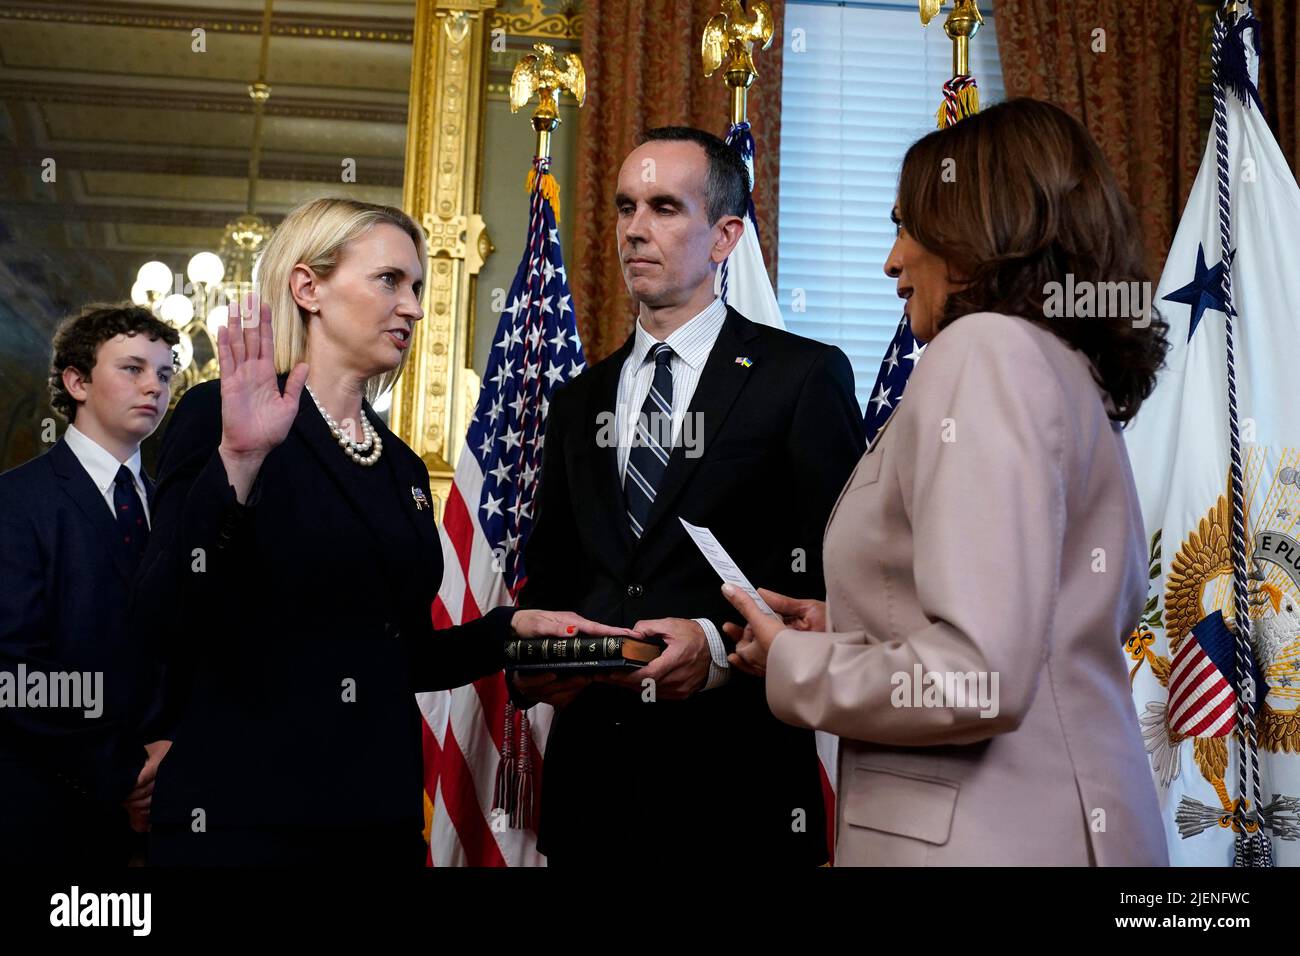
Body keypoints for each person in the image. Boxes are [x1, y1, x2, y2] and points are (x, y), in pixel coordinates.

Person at [723, 98, 1172, 866]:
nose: (892, 261)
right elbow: (1033, 627)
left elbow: (977, 678)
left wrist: (793, 663)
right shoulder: (1063, 369)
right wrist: (851, 624)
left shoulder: (985, 352)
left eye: (907, 226)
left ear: (976, 234)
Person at [134, 198, 629, 865]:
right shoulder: (219, 415)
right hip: (243, 819)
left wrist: (505, 632)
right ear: (309, 287)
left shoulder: (397, 465)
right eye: (391, 281)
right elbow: (165, 607)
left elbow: (397, 655)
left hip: (377, 817)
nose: (415, 308)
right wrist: (240, 463)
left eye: (418, 286)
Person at [514, 127, 865, 865]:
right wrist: (534, 660)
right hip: (592, 801)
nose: (635, 230)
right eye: (625, 207)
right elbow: (553, 576)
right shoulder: (579, 402)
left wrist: (711, 645)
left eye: (666, 208)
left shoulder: (802, 378)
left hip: (738, 793)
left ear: (724, 236)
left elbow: (838, 580)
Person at [0, 303, 178, 865]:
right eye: (133, 369)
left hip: (168, 809)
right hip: (50, 809)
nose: (154, 385)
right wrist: (123, 772)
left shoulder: (176, 507)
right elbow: (14, 674)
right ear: (77, 381)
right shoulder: (16, 502)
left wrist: (168, 757)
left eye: (166, 374)